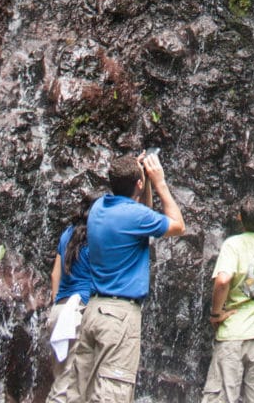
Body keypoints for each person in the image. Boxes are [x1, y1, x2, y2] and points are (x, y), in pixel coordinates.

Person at [64, 151, 184, 403]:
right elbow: (178, 225)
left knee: (79, 392)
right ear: (138, 185)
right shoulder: (134, 216)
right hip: (118, 317)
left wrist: (141, 180)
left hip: (93, 311)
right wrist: (159, 182)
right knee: (112, 395)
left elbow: (142, 212)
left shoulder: (99, 208)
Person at [201, 136, 254, 403]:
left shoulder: (233, 245)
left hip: (232, 336)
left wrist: (217, 313)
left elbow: (223, 279)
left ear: (241, 219)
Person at [46, 197, 93, 403]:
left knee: (62, 377)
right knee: (67, 387)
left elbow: (55, 275)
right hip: (78, 312)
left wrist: (57, 302)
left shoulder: (67, 234)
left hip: (60, 310)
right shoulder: (96, 238)